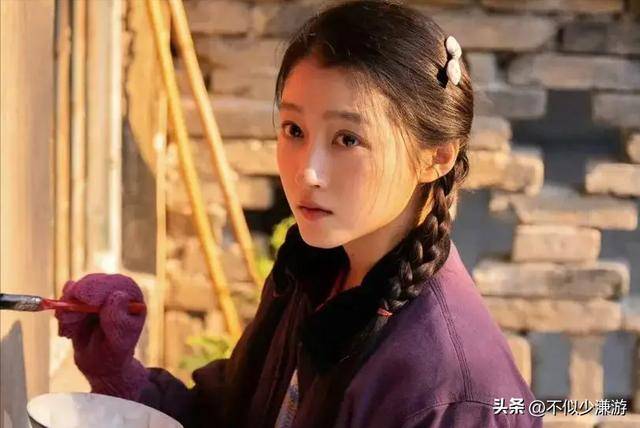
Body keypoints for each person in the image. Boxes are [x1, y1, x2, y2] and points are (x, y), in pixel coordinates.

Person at [55, 1, 542, 427]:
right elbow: (227, 416)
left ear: (436, 157)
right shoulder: (313, 273)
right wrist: (121, 375)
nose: (307, 171)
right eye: (293, 130)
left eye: (347, 139)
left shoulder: (453, 398)